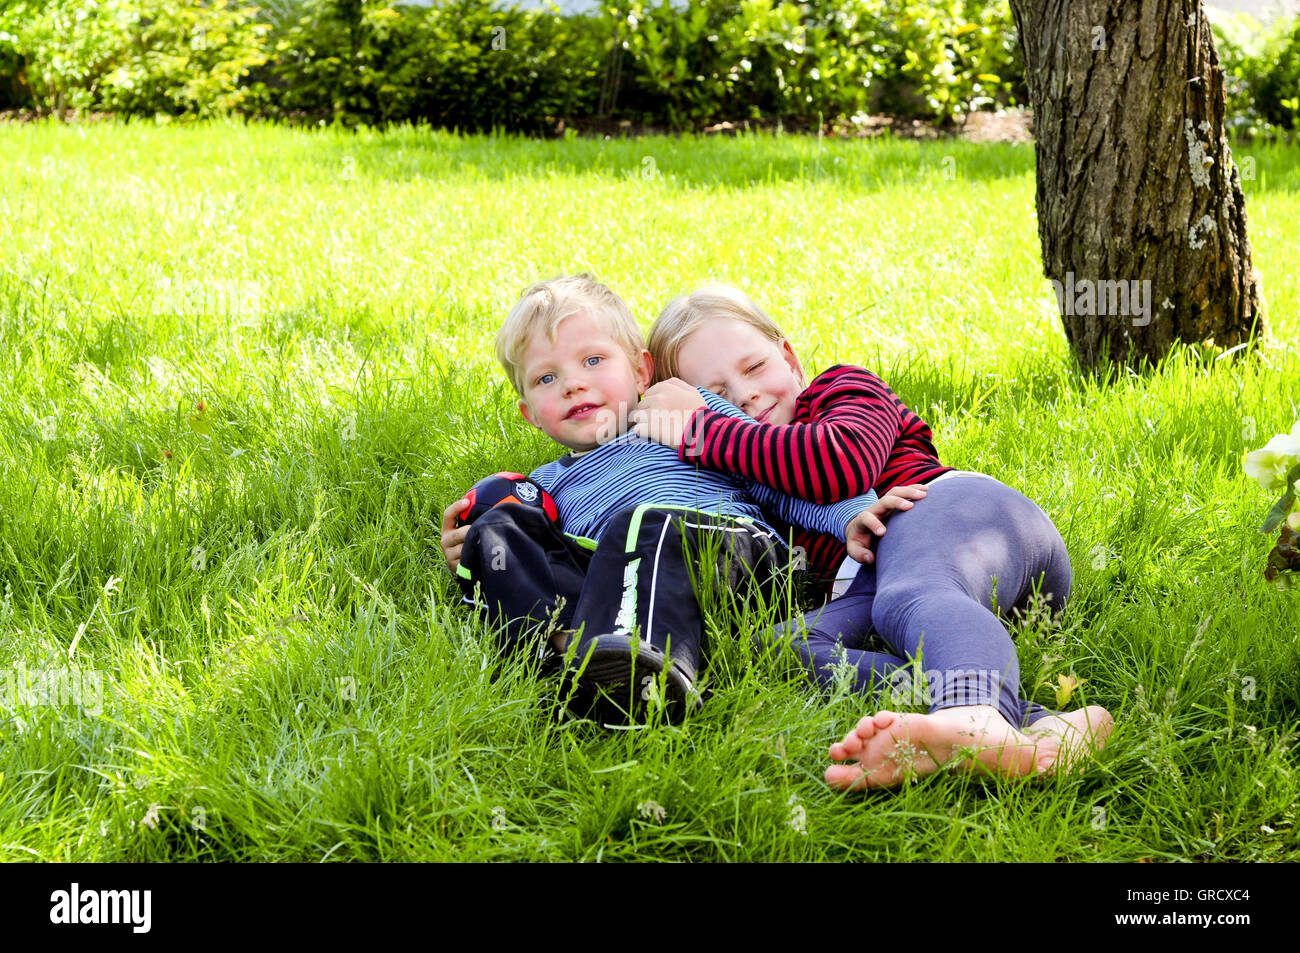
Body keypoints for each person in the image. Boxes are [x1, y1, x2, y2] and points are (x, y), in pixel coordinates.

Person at [636, 283, 1113, 788]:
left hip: (960, 518)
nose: (746, 394)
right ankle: (1046, 729)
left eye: (754, 368)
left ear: (789, 358)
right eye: (716, 395)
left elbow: (837, 464)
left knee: (907, 597)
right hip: (888, 591)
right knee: (776, 648)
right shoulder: (738, 473)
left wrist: (703, 428)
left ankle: (974, 717)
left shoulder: (842, 390)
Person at [438, 275, 918, 725]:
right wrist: (476, 545)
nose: (572, 384)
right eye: (546, 379)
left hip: (730, 556)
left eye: (592, 361)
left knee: (646, 523)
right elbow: (538, 554)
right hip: (616, 576)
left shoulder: (683, 420)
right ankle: (565, 648)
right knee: (502, 524)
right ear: (529, 415)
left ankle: (645, 661)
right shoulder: (548, 484)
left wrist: (849, 515)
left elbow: (771, 482)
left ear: (642, 371)